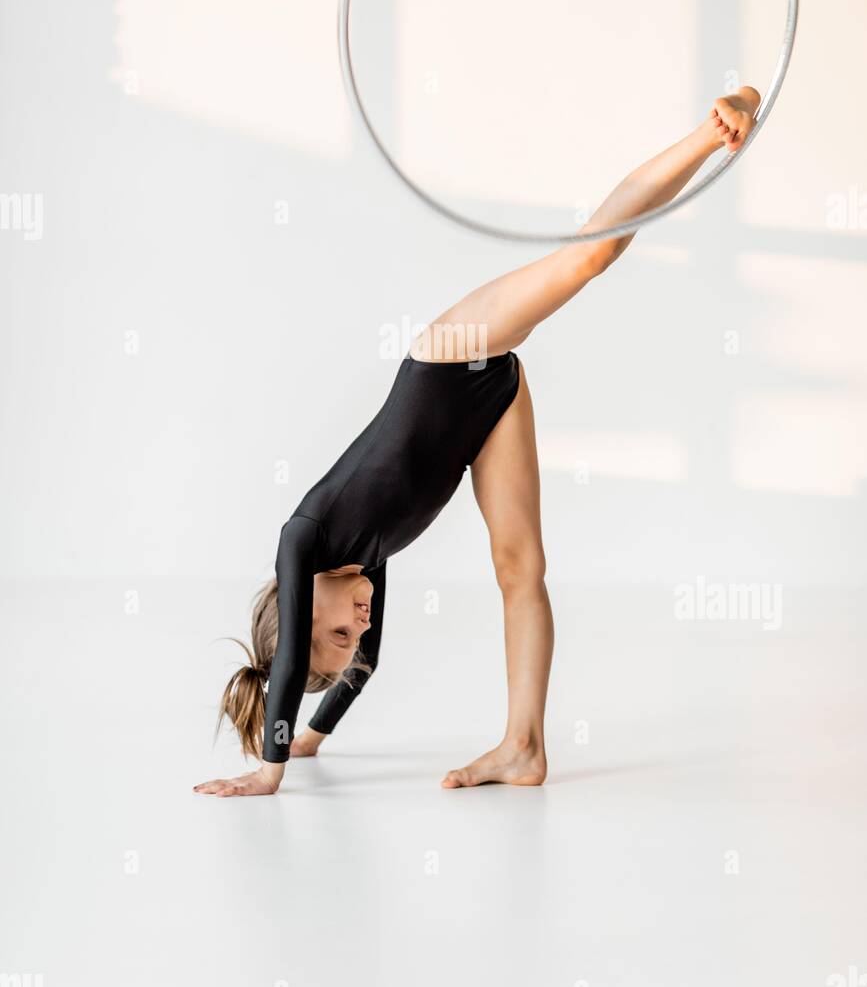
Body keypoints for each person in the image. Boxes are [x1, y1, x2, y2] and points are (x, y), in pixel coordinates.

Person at [194, 87, 760, 797]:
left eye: (338, 634)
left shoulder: (304, 535)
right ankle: (523, 746)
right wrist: (313, 735)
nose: (358, 630)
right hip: (485, 415)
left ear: (306, 606)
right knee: (520, 569)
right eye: (349, 640)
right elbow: (367, 667)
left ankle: (716, 125)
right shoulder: (364, 564)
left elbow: (284, 672)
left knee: (586, 257)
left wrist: (271, 768)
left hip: (446, 358)